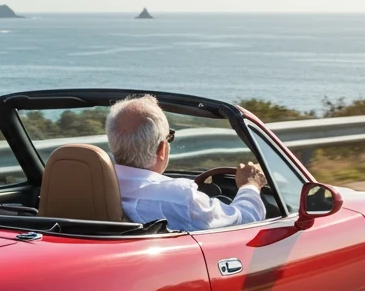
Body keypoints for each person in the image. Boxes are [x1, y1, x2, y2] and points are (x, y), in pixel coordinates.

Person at [106, 94, 268, 231]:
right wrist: (251, 186)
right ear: (162, 149)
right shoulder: (180, 198)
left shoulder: (94, 187)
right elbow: (246, 220)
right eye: (169, 137)